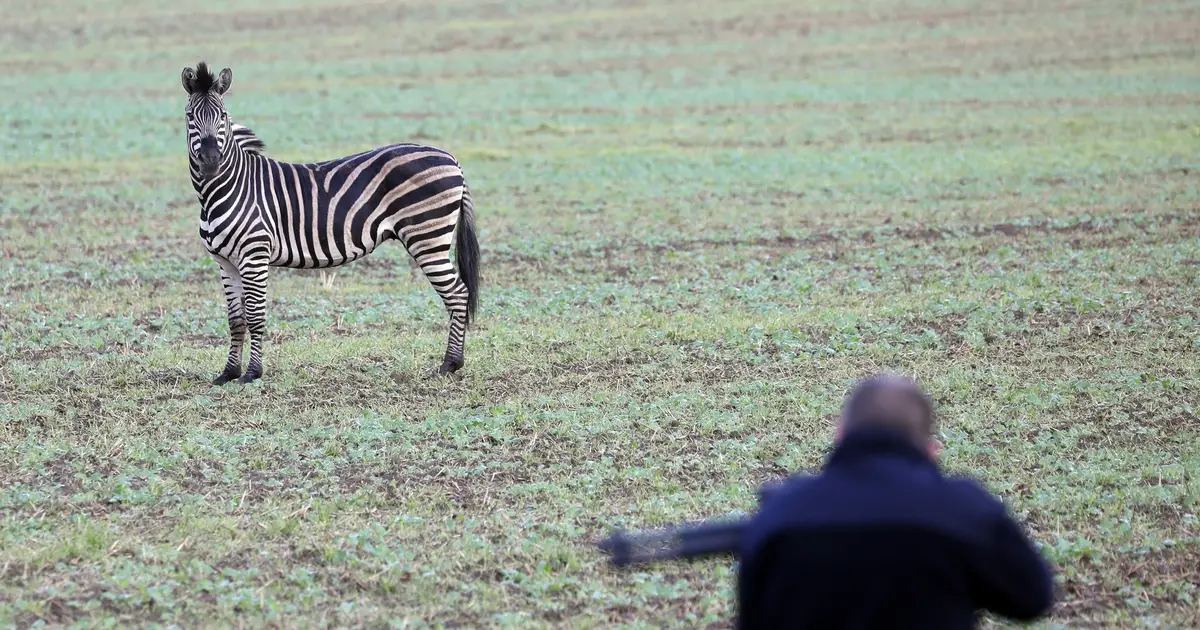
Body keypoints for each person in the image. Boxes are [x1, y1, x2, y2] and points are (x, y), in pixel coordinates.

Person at [736, 374, 1056, 629]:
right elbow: (1032, 599)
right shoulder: (964, 509)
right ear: (931, 449)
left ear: (840, 435)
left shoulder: (783, 511)